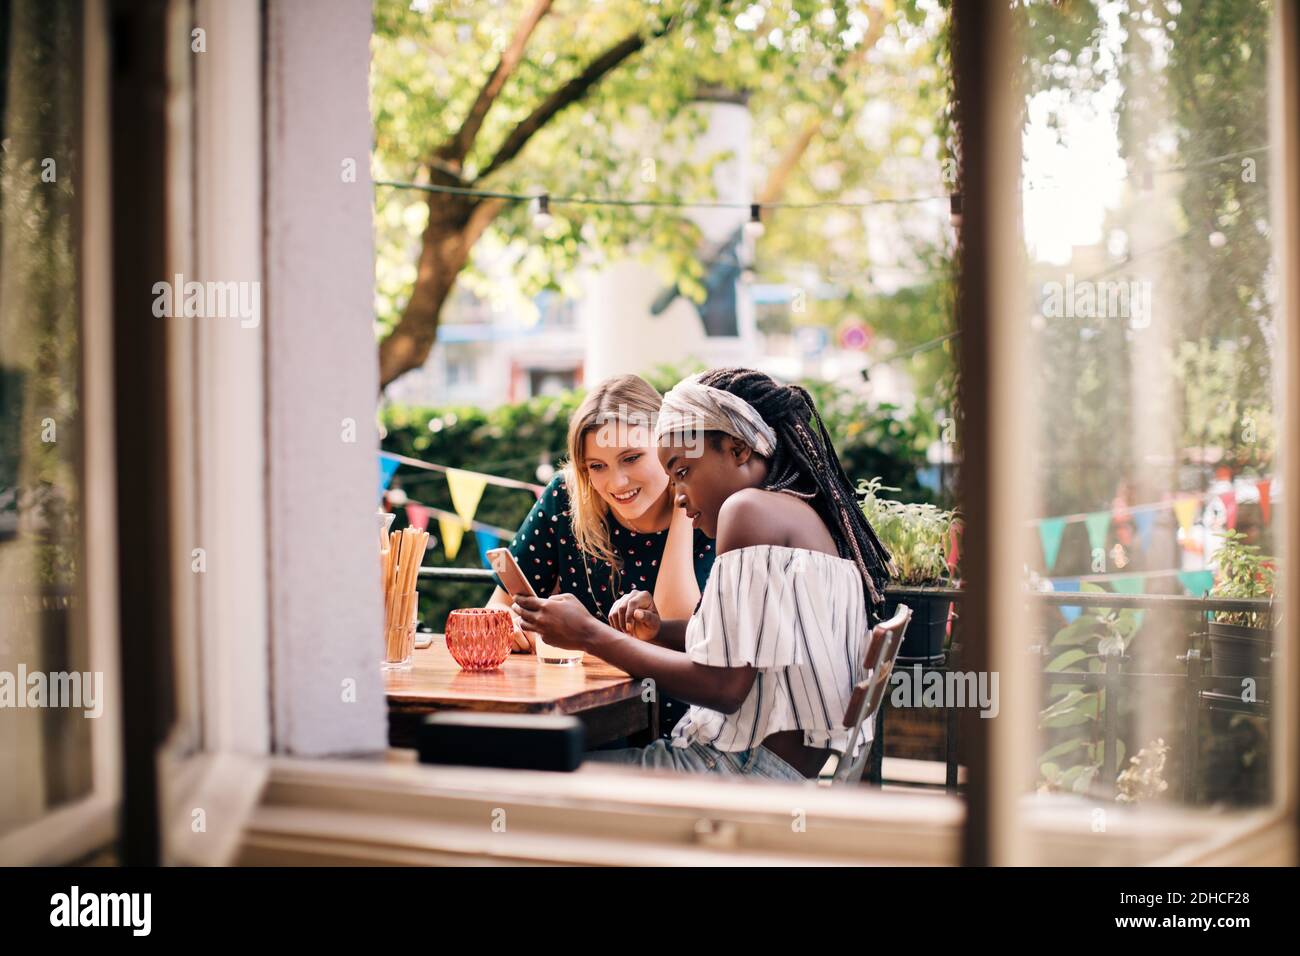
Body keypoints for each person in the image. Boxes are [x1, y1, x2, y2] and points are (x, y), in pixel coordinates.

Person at [512, 368, 894, 782]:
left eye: (682, 471)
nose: (677, 495)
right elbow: (747, 650)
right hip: (769, 774)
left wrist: (589, 633)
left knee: (518, 767)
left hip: (730, 771)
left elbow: (723, 687)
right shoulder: (801, 515)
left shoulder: (746, 511)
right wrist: (659, 630)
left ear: (738, 449)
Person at [485, 374, 715, 736]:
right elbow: (498, 605)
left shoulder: (707, 511)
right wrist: (508, 626)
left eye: (632, 458)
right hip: (579, 718)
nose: (616, 483)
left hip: (678, 730)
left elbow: (676, 632)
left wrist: (681, 497)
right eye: (597, 466)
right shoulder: (567, 498)